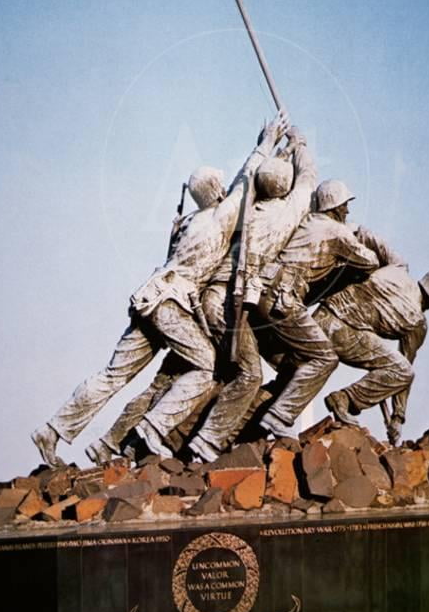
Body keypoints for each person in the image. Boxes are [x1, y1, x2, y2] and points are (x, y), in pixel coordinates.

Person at [31, 111, 289, 466]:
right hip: (171, 304)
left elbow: (235, 190)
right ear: (216, 190)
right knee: (205, 365)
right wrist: (267, 142)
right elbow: (245, 183)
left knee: (112, 375)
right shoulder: (217, 220)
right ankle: (154, 427)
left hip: (148, 298)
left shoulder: (185, 224)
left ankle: (53, 429)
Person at [186, 126, 317, 461]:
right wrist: (299, 144)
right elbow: (308, 180)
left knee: (283, 363)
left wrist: (268, 145)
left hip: (217, 299)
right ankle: (207, 442)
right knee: (250, 373)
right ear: (284, 187)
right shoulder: (288, 212)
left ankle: (253, 425)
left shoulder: (241, 208)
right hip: (226, 303)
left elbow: (245, 179)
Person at [251, 178, 380, 437]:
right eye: (345, 205)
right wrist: (356, 239)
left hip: (261, 296)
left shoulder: (308, 222)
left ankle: (247, 426)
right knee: (324, 358)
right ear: (334, 207)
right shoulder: (335, 230)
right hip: (283, 296)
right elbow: (371, 261)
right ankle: (280, 416)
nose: (347, 211)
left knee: (292, 365)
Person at [316, 266, 429, 444]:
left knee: (298, 371)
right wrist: (398, 417)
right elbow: (404, 368)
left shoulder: (397, 274)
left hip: (323, 315)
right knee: (402, 372)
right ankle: (345, 399)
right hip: (345, 332)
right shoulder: (417, 321)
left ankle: (269, 396)